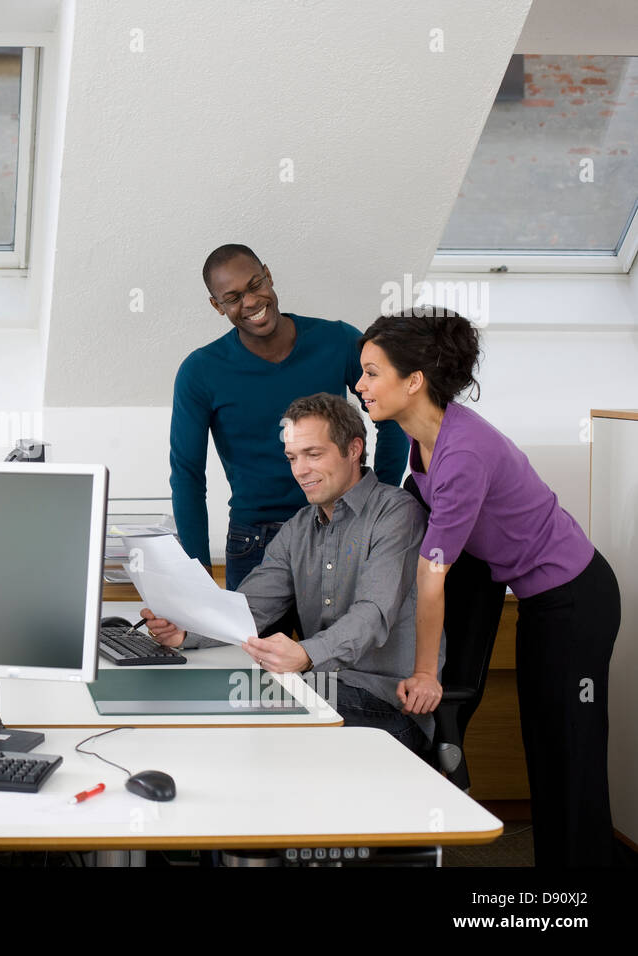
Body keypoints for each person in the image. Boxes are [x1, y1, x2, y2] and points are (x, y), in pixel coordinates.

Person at [356, 311, 620, 867]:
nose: (360, 386)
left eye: (372, 373)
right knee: (546, 748)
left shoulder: (462, 453)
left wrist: (427, 672)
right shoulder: (422, 445)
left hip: (576, 599)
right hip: (540, 602)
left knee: (571, 750)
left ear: (413, 380)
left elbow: (434, 573)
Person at [146, 393, 437, 754]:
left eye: (313, 454)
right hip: (321, 689)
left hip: (390, 705)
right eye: (293, 458)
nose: (300, 470)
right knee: (227, 703)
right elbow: (250, 607)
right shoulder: (299, 528)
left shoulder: (396, 513)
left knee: (251, 712)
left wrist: (306, 654)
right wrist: (186, 630)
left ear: (353, 449)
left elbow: (373, 614)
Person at [171, 244, 409, 590]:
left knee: (343, 643)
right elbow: (187, 475)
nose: (250, 302)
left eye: (255, 285)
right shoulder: (200, 372)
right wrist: (197, 571)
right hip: (254, 542)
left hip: (339, 527)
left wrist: (374, 501)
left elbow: (392, 416)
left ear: (268, 275)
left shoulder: (337, 340)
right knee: (250, 645)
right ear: (217, 306)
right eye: (233, 297)